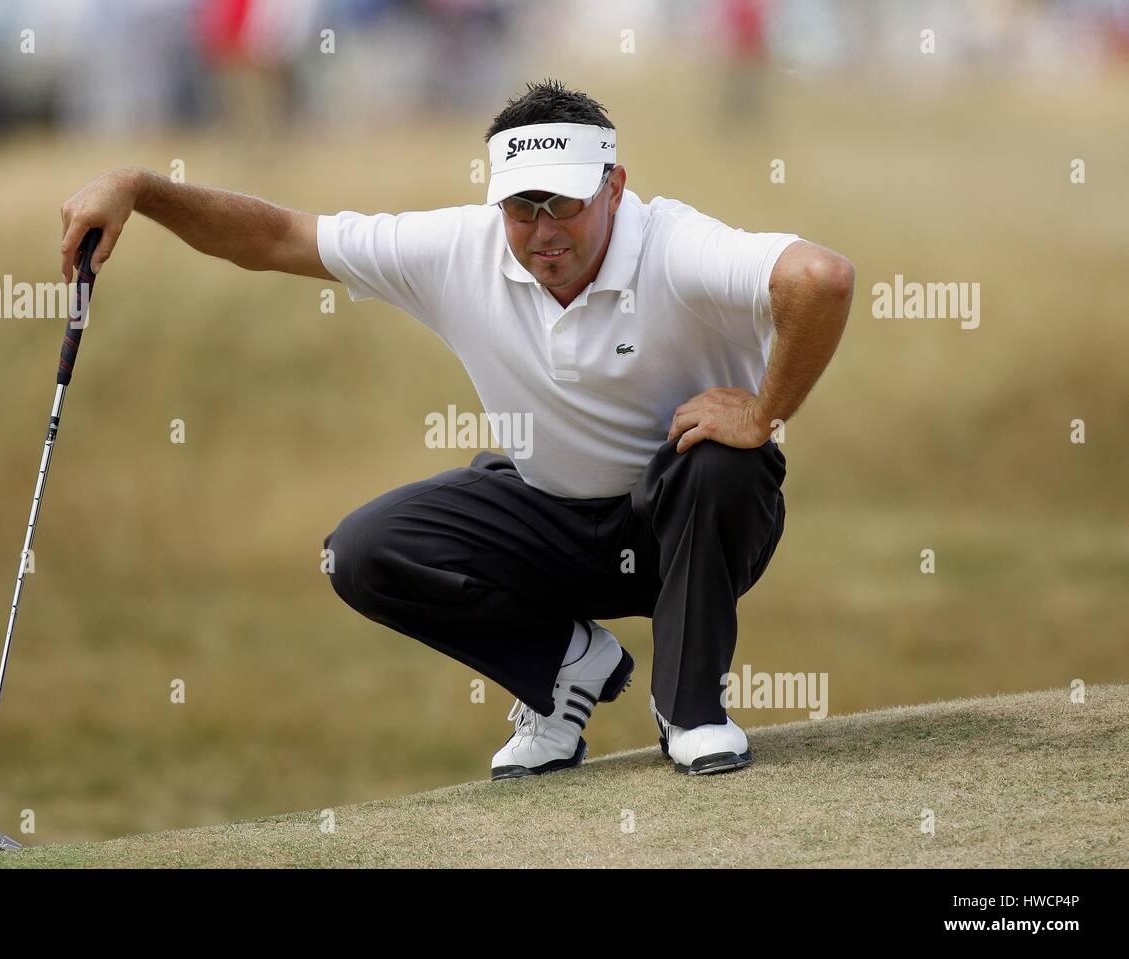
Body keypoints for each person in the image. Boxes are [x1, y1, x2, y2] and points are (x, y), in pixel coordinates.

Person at [59, 78, 854, 780]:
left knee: (723, 464)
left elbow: (820, 278)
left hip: (689, 526)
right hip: (551, 525)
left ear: (615, 186)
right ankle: (564, 670)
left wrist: (762, 413)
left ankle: (690, 713)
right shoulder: (461, 250)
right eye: (522, 205)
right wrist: (142, 189)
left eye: (565, 203)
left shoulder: (675, 246)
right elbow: (276, 238)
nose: (544, 230)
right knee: (364, 548)